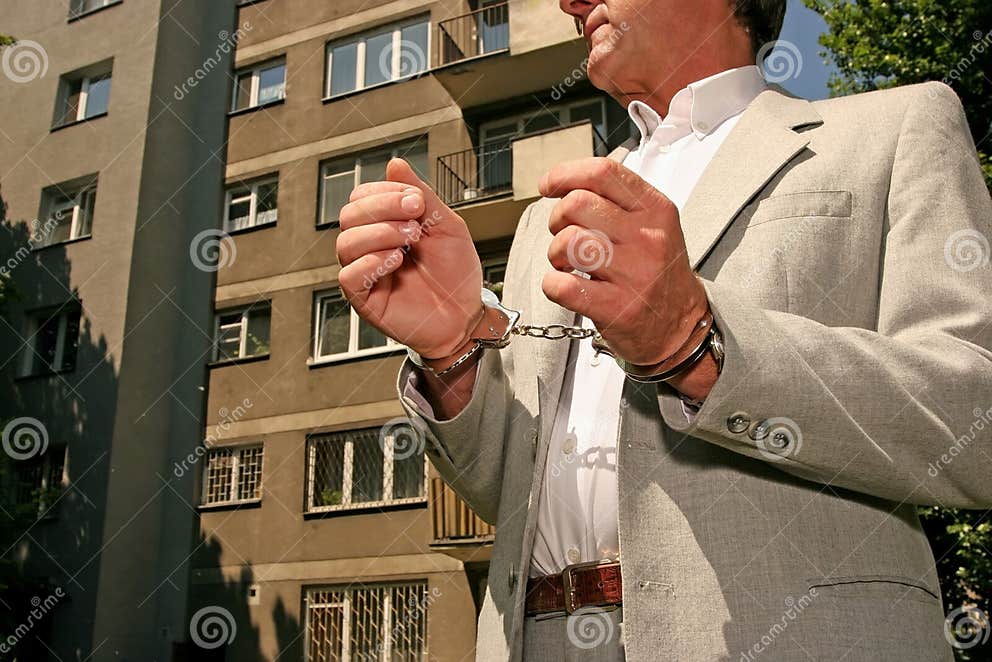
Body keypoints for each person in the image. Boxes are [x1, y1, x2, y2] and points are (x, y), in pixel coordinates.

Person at [335, 0, 992, 659]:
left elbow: (976, 422)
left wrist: (696, 343)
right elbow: (504, 493)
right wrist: (454, 350)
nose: (568, 3)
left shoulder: (895, 127)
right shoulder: (547, 221)